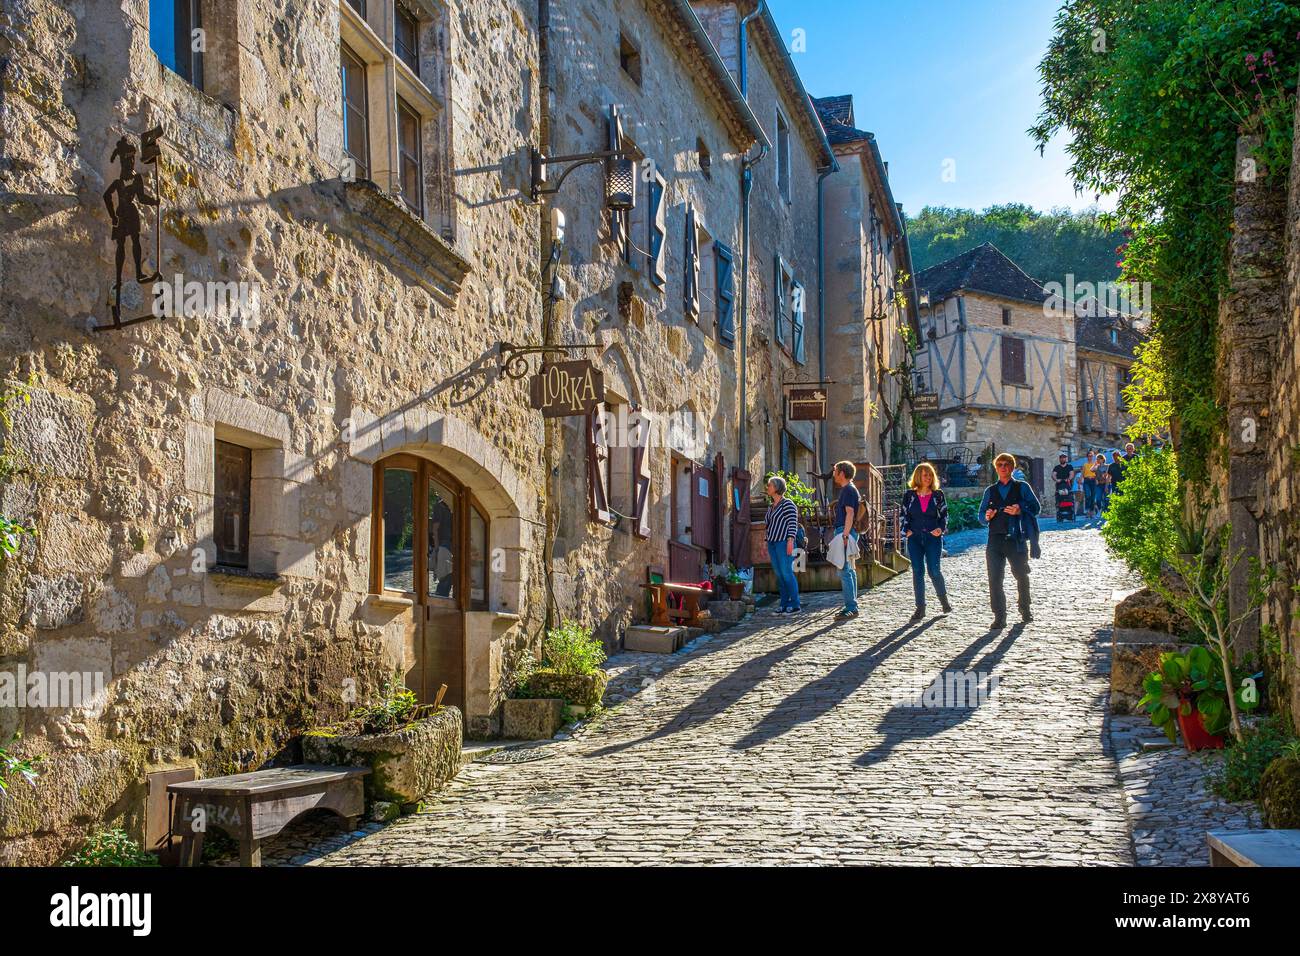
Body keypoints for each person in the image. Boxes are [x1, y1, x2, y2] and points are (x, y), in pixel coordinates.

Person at [978, 452, 1041, 629]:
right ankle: (999, 616)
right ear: (996, 468)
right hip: (995, 541)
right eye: (1000, 465)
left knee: (1021, 575)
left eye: (1006, 464)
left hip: (1016, 539)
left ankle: (1025, 608)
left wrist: (1020, 509)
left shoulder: (1022, 487)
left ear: (1012, 467)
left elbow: (1036, 508)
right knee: (994, 579)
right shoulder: (990, 491)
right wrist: (987, 516)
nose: (1003, 467)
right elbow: (981, 516)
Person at [900, 462, 951, 622]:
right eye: (924, 475)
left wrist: (940, 529)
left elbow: (944, 514)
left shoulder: (938, 495)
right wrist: (906, 530)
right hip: (914, 538)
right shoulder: (909, 495)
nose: (928, 478)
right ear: (918, 477)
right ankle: (920, 608)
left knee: (934, 570)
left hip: (933, 537)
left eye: (930, 475)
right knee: (917, 571)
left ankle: (944, 602)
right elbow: (903, 515)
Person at [764, 475, 800, 613]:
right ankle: (784, 603)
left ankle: (795, 603)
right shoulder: (771, 506)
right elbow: (769, 525)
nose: (768, 487)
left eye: (770, 485)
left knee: (786, 573)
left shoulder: (788, 504)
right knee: (779, 574)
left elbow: (792, 524)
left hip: (784, 542)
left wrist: (790, 541)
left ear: (777, 487)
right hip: (772, 543)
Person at [831, 461, 862, 619]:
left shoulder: (848, 490)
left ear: (842, 473)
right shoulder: (850, 489)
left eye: (835, 470)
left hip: (845, 531)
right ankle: (852, 605)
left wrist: (844, 534)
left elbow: (849, 513)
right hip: (847, 531)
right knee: (849, 570)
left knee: (844, 570)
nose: (833, 473)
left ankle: (851, 607)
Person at [1081, 449, 1099, 518]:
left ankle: (1092, 512)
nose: (1090, 457)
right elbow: (1082, 474)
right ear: (1087, 457)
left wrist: (1097, 480)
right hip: (1086, 481)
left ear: (1093, 456)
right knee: (1088, 495)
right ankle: (1087, 510)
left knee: (1093, 497)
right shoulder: (1085, 465)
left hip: (1093, 480)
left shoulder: (1095, 464)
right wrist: (1080, 480)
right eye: (1089, 456)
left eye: (1091, 456)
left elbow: (1097, 473)